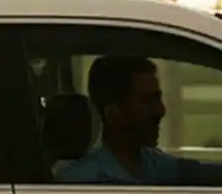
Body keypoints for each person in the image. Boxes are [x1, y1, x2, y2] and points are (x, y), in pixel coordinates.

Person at [56, 55, 222, 184]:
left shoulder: (156, 165)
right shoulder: (80, 181)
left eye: (158, 98)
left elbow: (205, 174)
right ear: (114, 113)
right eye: (148, 102)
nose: (161, 110)